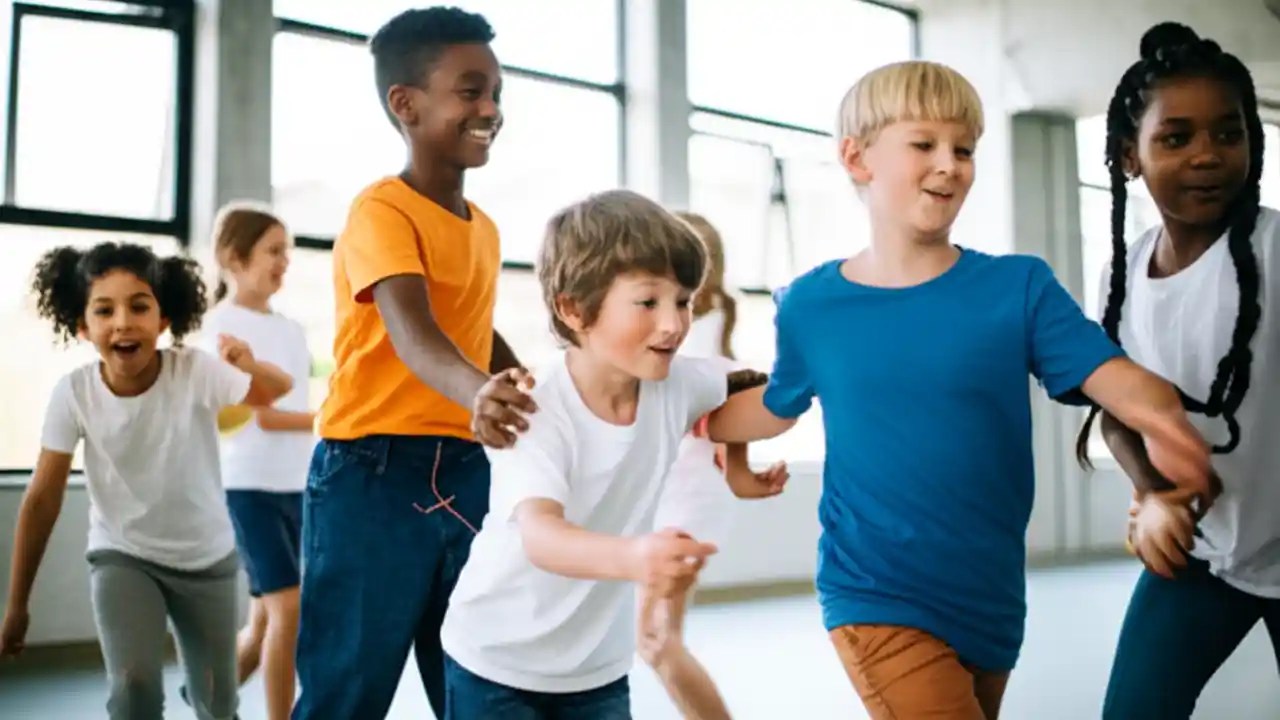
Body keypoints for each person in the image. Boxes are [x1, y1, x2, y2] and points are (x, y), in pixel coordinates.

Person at [750, 59, 1216, 719]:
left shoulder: (1017, 288)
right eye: (924, 144)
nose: (950, 165)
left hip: (989, 597)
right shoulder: (810, 305)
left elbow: (1116, 379)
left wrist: (1168, 427)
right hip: (874, 591)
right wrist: (689, 411)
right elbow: (772, 407)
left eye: (964, 150)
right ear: (856, 158)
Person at [439, 190, 795, 720]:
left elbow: (765, 412)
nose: (673, 324)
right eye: (648, 302)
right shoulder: (534, 407)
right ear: (574, 309)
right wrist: (635, 558)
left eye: (683, 301)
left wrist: (812, 358)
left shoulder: (678, 384)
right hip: (498, 661)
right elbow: (542, 537)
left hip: (596, 670)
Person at [292, 7, 534, 720]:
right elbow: (416, 334)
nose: (491, 109)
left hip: (465, 470)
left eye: (496, 92)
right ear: (406, 103)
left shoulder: (484, 229)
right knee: (347, 692)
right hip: (372, 476)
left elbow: (474, 335)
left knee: (476, 682)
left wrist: (540, 390)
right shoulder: (383, 211)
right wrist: (481, 391)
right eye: (470, 91)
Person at [1072, 22, 1280, 719]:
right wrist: (1155, 493)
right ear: (1128, 155)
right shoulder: (1121, 274)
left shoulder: (1275, 250)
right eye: (1176, 137)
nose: (1207, 155)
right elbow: (1117, 411)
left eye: (1228, 133)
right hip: (1207, 553)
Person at [1, 242, 292, 720]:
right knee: (133, 688)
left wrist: (247, 364)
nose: (123, 322)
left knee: (216, 702)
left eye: (139, 306)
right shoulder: (73, 393)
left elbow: (275, 389)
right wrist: (17, 605)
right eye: (104, 310)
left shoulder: (194, 371)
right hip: (123, 555)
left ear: (163, 320)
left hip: (207, 560)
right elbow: (42, 499)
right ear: (81, 325)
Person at [202, 202, 315, 720]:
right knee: (287, 608)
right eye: (273, 251)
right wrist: (330, 420)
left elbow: (290, 404)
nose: (283, 261)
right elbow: (263, 414)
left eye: (286, 251)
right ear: (234, 257)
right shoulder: (220, 326)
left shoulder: (291, 329)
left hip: (298, 485)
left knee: (266, 620)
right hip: (250, 489)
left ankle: (207, 697)